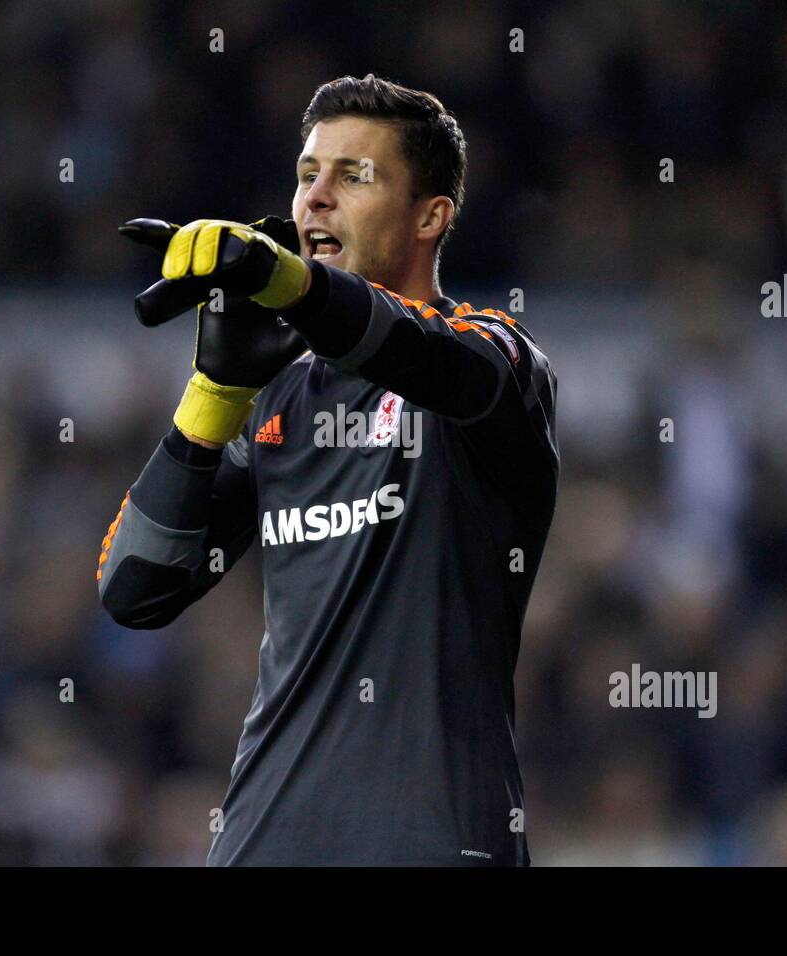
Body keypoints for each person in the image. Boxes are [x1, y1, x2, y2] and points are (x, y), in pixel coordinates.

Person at [98, 74, 558, 865]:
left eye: (354, 176)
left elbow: (425, 355)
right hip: (263, 840)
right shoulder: (282, 399)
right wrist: (215, 392)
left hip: (432, 841)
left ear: (430, 216)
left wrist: (292, 285)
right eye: (308, 174)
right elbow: (135, 590)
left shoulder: (499, 364)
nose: (315, 199)